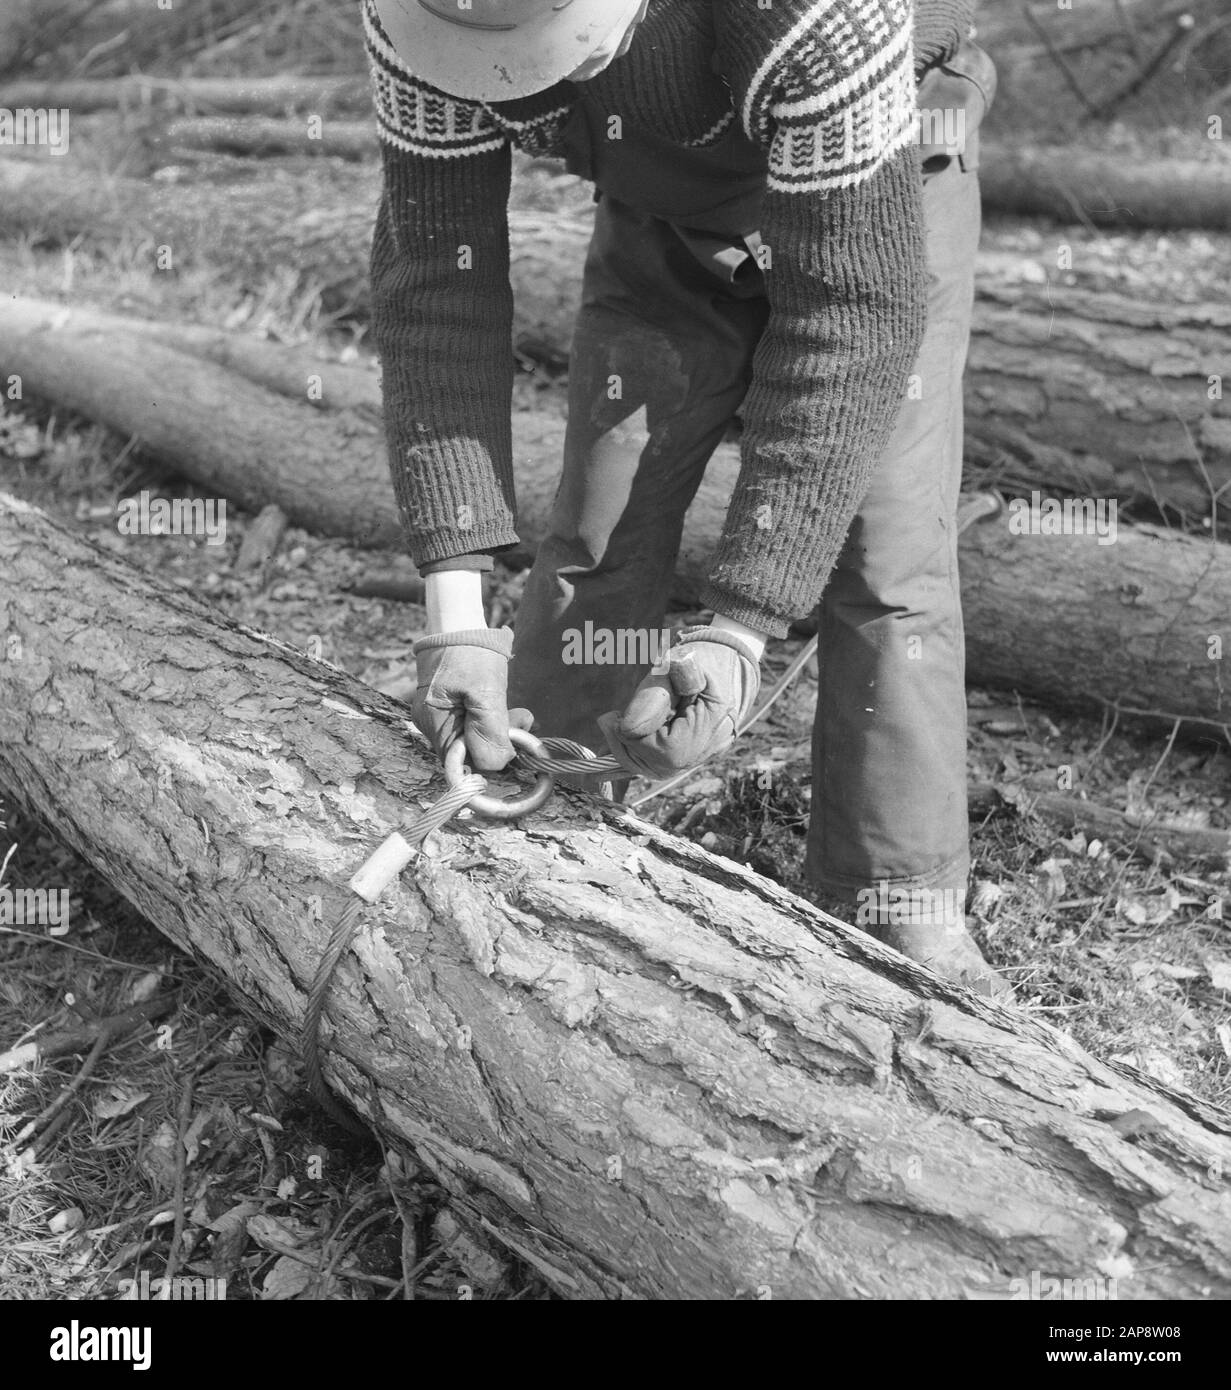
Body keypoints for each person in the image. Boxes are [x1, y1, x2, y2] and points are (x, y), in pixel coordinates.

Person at [363, 0, 1009, 997]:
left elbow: (850, 308)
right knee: (601, 516)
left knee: (884, 546)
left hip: (879, 181)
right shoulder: (411, 21)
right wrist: (454, 616)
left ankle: (896, 899)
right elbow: (435, 284)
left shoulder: (811, 12)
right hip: (660, 209)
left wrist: (740, 627)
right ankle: (546, 807)